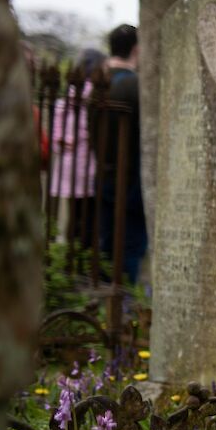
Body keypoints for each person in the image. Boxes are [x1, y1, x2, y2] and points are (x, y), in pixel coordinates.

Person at [98, 25, 147, 284]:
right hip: (132, 184)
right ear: (136, 49)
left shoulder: (97, 82)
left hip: (104, 178)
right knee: (129, 251)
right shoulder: (136, 86)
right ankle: (124, 309)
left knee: (107, 246)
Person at [51, 48, 104, 250]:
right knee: (88, 217)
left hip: (68, 164)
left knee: (75, 215)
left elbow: (58, 138)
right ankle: (82, 255)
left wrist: (66, 140)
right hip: (86, 162)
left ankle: (72, 256)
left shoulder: (65, 100)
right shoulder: (95, 95)